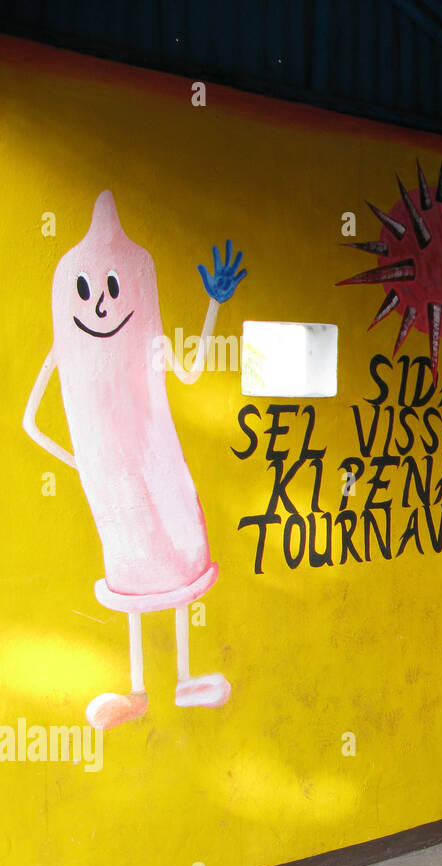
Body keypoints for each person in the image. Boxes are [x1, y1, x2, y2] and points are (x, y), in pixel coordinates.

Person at [23, 190, 243, 729]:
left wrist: (213, 305)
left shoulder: (150, 340)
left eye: (113, 288)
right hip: (114, 495)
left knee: (178, 561)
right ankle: (138, 690)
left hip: (161, 476)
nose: (101, 303)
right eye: (87, 289)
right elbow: (30, 422)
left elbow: (189, 372)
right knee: (134, 577)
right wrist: (86, 463)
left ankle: (186, 677)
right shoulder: (67, 349)